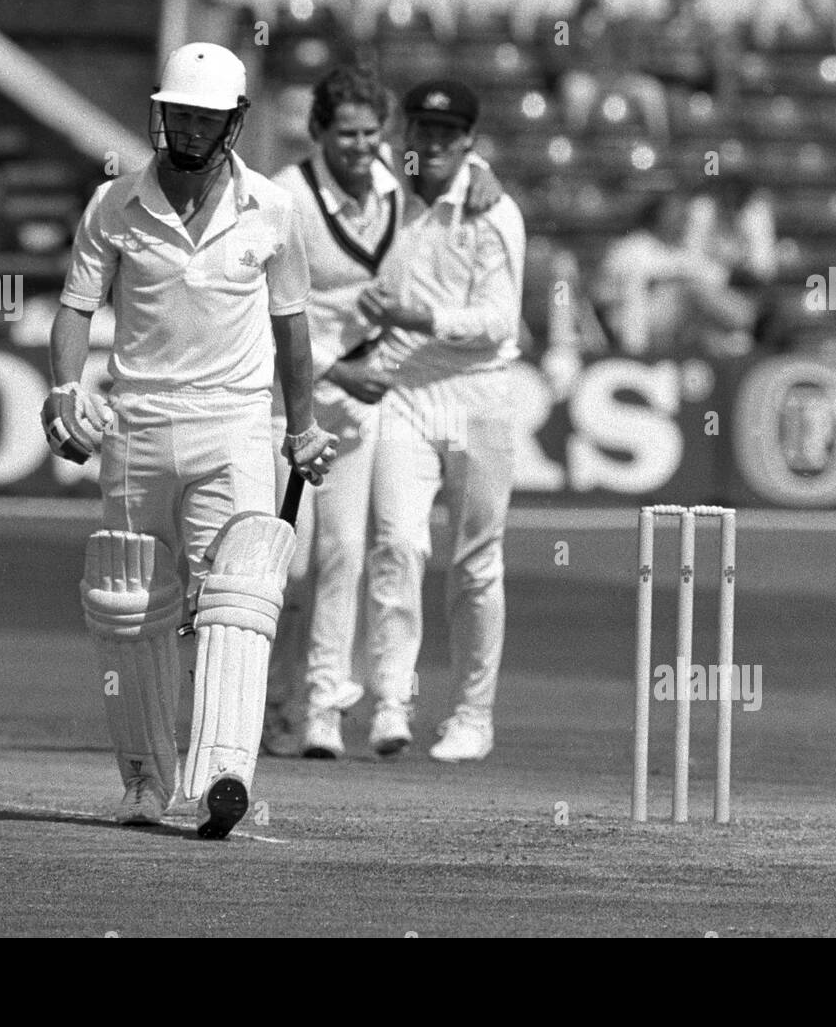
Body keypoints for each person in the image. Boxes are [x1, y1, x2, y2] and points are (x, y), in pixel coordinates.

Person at [42, 42, 337, 836]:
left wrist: (301, 427)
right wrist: (67, 390)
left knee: (238, 598)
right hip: (137, 421)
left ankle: (221, 781)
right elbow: (76, 307)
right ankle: (144, 782)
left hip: (235, 423)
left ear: (235, 123)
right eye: (179, 115)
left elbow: (292, 327)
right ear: (159, 111)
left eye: (206, 119)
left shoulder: (272, 208)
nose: (189, 131)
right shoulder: (113, 203)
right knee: (127, 600)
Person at [262, 65, 504, 760]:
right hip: (284, 399)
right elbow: (263, 311)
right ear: (317, 133)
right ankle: (267, 700)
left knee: (346, 556)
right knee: (288, 566)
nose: (360, 147)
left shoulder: (395, 193)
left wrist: (481, 169)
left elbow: (446, 180)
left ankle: (318, 710)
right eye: (346, 134)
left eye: (372, 134)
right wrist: (339, 369)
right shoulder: (286, 198)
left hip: (356, 404)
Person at [357, 79, 526, 762]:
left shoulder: (495, 212)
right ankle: (392, 698)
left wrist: (416, 317)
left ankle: (473, 717)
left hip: (480, 393)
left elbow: (496, 324)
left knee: (477, 563)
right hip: (405, 391)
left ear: (467, 144)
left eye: (444, 136)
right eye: (420, 134)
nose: (429, 146)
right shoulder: (385, 194)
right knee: (398, 542)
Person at [592, 192, 757, 357]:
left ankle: (746, 342)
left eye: (683, 214)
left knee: (709, 317)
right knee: (689, 291)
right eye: (676, 213)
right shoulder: (630, 247)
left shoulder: (680, 251)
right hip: (628, 323)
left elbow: (716, 278)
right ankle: (755, 323)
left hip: (672, 324)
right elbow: (603, 294)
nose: (683, 219)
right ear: (658, 216)